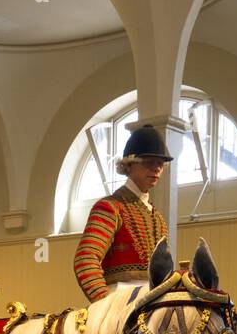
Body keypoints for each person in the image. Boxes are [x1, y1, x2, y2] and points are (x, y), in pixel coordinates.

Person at [73, 123, 171, 301]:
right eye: (149, 162)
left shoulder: (158, 218)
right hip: (119, 303)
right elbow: (85, 261)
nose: (157, 168)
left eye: (160, 164)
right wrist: (106, 306)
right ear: (129, 165)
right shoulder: (110, 207)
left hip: (153, 303)